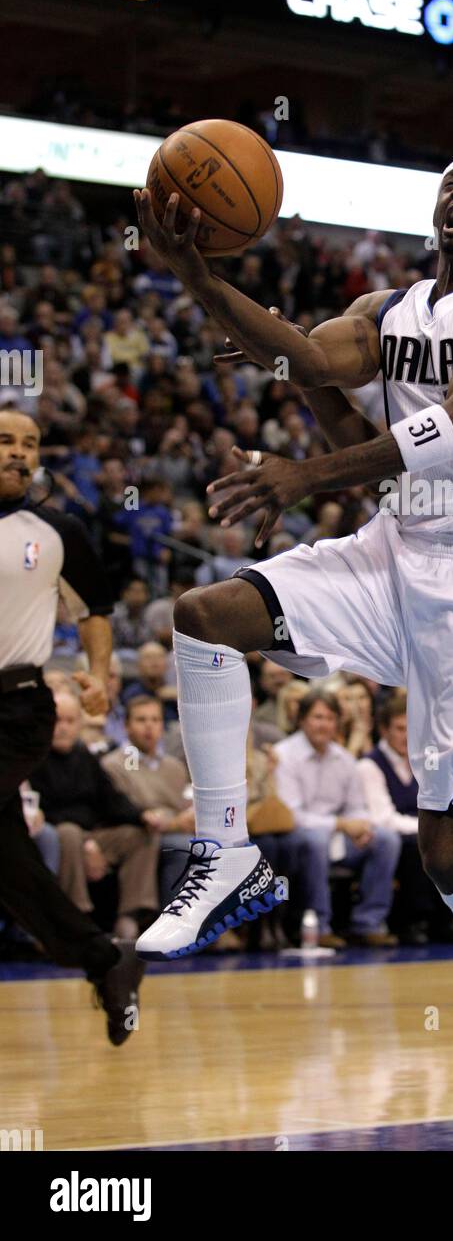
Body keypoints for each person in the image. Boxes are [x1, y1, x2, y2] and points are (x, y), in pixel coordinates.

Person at [132, 153, 453, 1122]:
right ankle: (227, 853)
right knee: (205, 617)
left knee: (448, 847)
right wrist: (198, 276)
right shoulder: (390, 310)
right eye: (447, 182)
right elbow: (304, 354)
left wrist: (306, 475)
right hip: (394, 551)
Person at [0, 408, 143, 1044]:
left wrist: (100, 672)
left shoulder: (54, 530)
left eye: (28, 444)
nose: (17, 453)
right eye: (5, 440)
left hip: (14, 707)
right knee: (8, 862)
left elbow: (96, 609)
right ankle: (103, 958)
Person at [273, 690, 400, 948]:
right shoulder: (284, 755)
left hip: (337, 836)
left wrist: (362, 826)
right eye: (318, 717)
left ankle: (368, 923)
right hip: (297, 836)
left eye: (330, 719)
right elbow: (292, 815)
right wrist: (341, 825)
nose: (324, 725)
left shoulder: (343, 758)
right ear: (302, 720)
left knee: (386, 839)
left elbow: (356, 807)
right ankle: (318, 926)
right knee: (316, 839)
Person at [31, 691, 161, 939]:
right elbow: (43, 811)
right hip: (61, 835)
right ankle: (78, 917)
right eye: (58, 721)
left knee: (140, 835)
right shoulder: (35, 758)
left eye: (70, 721)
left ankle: (130, 916)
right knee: (68, 834)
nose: (63, 728)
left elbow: (110, 799)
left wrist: (142, 816)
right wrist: (86, 841)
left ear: (79, 724)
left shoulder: (84, 756)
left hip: (93, 834)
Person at [356, 690, 437, 943]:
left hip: (419, 829)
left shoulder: (423, 760)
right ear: (384, 729)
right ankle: (414, 922)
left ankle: (448, 920)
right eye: (400, 729)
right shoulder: (369, 765)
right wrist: (428, 828)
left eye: (411, 728)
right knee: (416, 847)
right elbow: (383, 818)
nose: (407, 736)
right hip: (391, 836)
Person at [101, 695, 194, 904]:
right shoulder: (114, 764)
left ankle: (218, 925)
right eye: (141, 720)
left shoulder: (174, 766)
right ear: (126, 726)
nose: (149, 727)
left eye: (155, 720)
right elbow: (130, 810)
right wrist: (173, 822)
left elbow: (184, 804)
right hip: (141, 833)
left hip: (175, 829)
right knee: (184, 846)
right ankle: (172, 922)